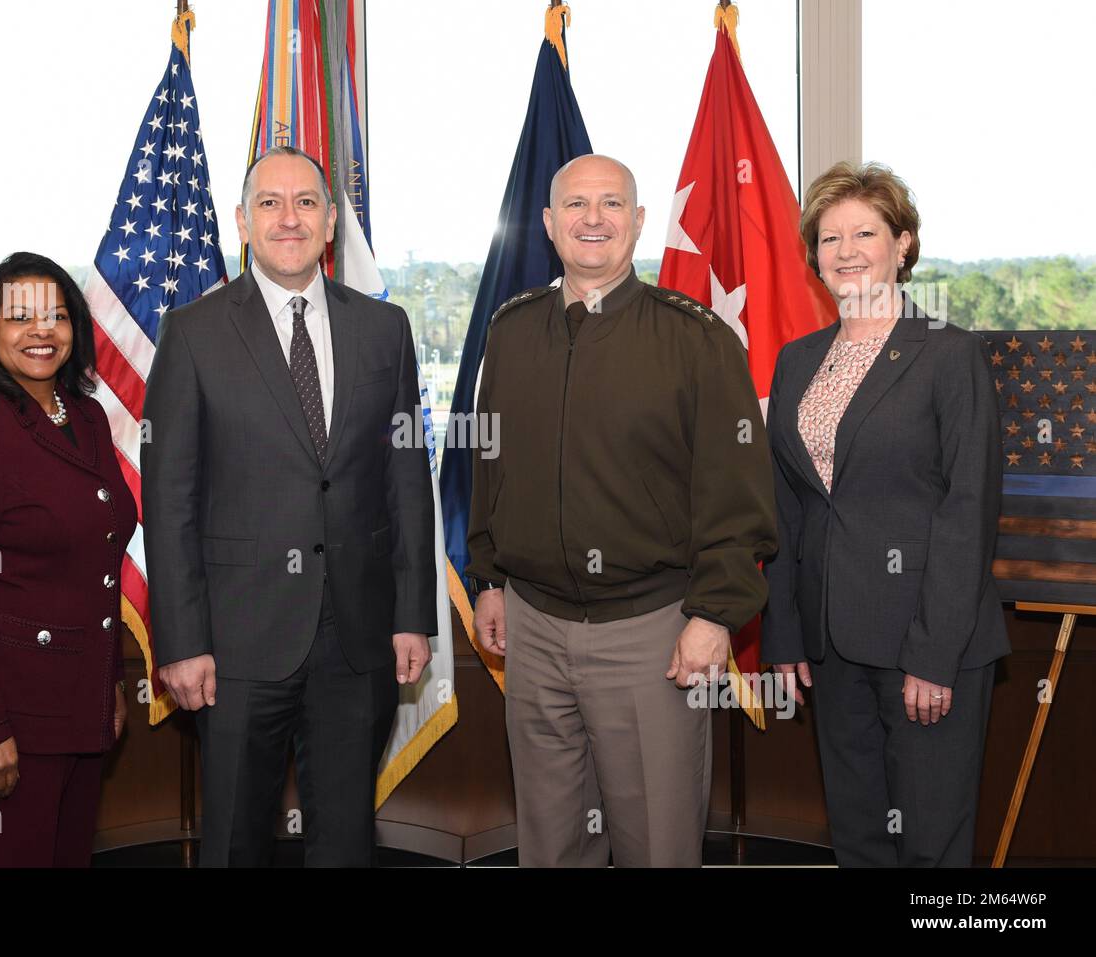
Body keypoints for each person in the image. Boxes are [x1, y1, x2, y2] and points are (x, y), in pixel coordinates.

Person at [466, 154, 776, 867]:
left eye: (612, 204)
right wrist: (487, 577)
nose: (593, 219)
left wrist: (715, 614)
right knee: (550, 845)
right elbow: (492, 466)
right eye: (576, 205)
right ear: (549, 224)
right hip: (533, 629)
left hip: (653, 635)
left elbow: (737, 493)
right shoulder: (511, 331)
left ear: (638, 222)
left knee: (657, 845)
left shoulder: (694, 338)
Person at [142, 146, 436, 867]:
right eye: (269, 203)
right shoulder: (193, 332)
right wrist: (180, 639)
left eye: (306, 201)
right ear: (242, 221)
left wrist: (413, 614)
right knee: (237, 838)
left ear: (331, 220)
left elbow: (404, 478)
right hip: (237, 641)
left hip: (357, 636)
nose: (288, 218)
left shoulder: (383, 328)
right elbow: (170, 497)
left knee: (345, 840)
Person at [761, 161, 1009, 866]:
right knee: (861, 839)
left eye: (864, 232)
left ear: (902, 245)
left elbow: (967, 513)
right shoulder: (797, 360)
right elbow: (787, 506)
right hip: (830, 646)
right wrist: (782, 634)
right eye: (829, 236)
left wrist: (933, 657)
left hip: (929, 650)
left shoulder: (950, 355)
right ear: (812, 255)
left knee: (930, 846)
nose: (845, 251)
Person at [0, 251, 136, 867]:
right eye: (20, 317)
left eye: (57, 316)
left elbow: (97, 567)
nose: (42, 331)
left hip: (79, 708)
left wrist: (108, 688)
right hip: (7, 722)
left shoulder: (87, 416)